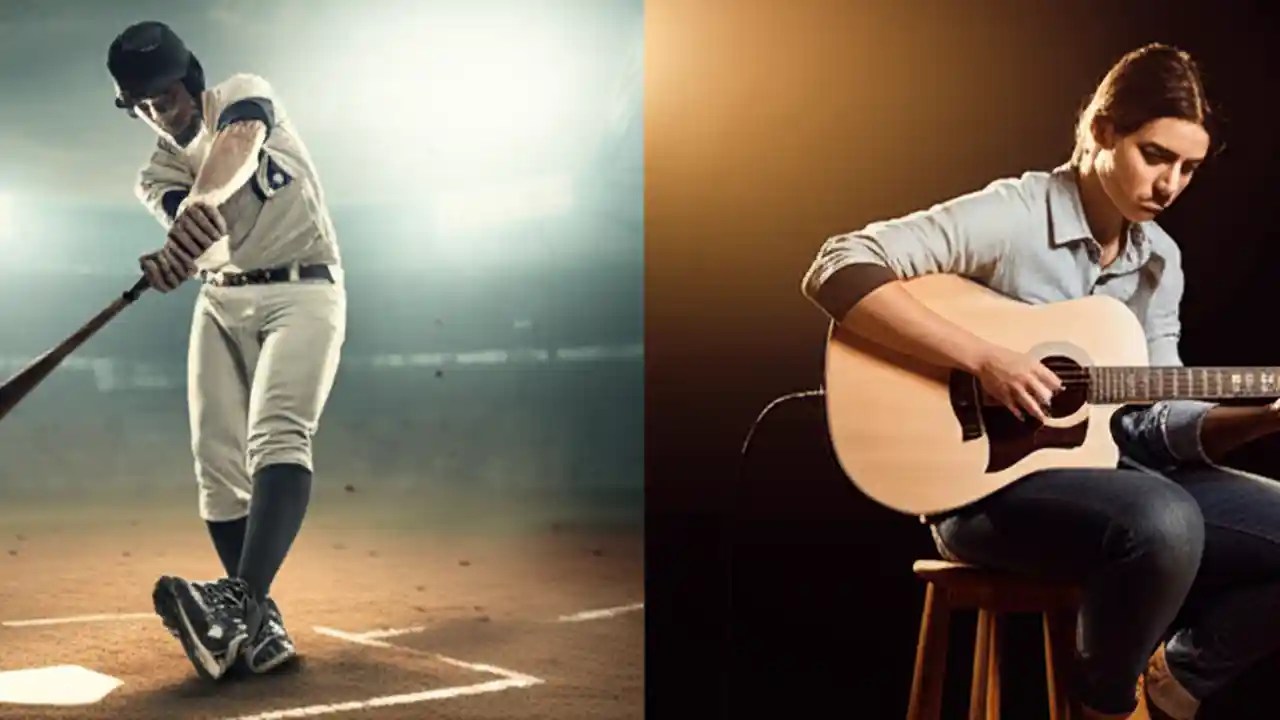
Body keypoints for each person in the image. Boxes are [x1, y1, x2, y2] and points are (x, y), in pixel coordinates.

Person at [802, 42, 1280, 720]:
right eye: (1155, 155)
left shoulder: (1159, 262)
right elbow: (839, 266)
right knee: (1164, 520)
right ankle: (1104, 707)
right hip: (984, 488)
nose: (1170, 184)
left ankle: (1175, 684)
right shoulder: (1015, 215)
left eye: (1189, 168)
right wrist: (983, 358)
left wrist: (1263, 418)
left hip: (1113, 468)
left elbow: (1158, 417)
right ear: (1102, 131)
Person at [106, 21, 347, 681]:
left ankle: (239, 601)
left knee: (277, 435)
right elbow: (209, 245)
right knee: (216, 463)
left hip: (304, 287)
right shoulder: (154, 173)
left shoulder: (241, 95)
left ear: (191, 82)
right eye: (145, 105)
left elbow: (239, 145)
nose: (161, 114)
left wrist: (196, 213)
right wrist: (177, 260)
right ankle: (258, 622)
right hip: (220, 299)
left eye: (169, 96)